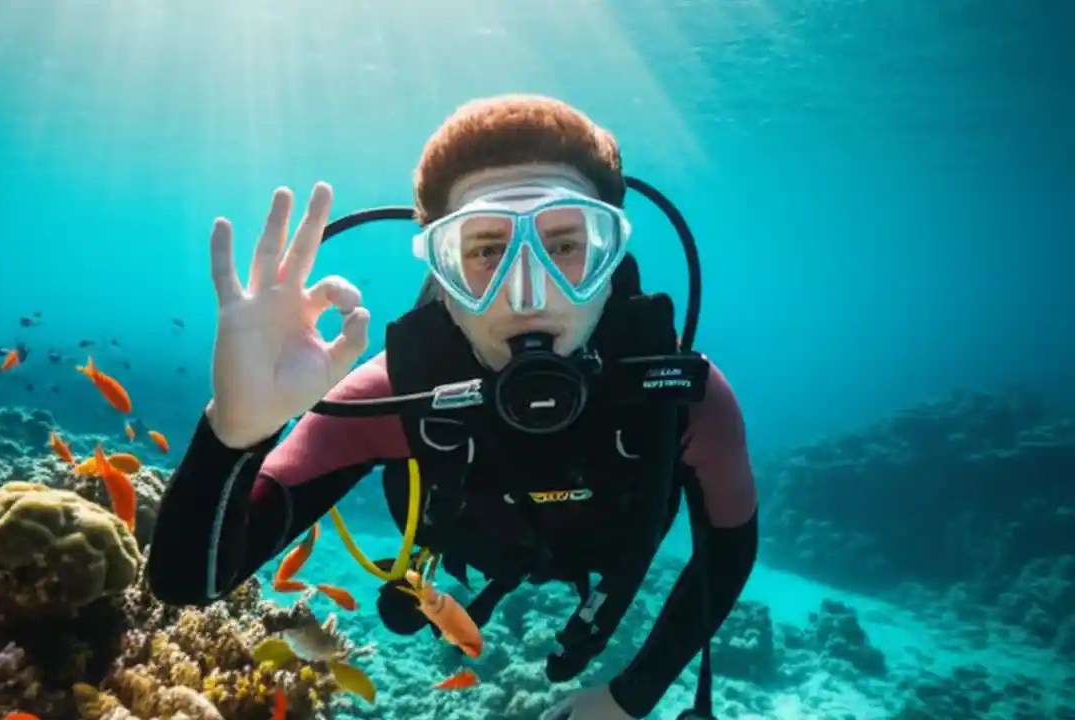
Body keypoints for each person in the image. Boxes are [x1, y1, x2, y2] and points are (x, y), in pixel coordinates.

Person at [147, 94, 758, 720]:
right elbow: (187, 582)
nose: (528, 294)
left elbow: (730, 551)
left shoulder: (683, 397)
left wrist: (632, 697)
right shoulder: (394, 394)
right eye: (486, 251)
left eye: (565, 245)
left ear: (610, 259)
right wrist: (234, 436)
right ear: (442, 274)